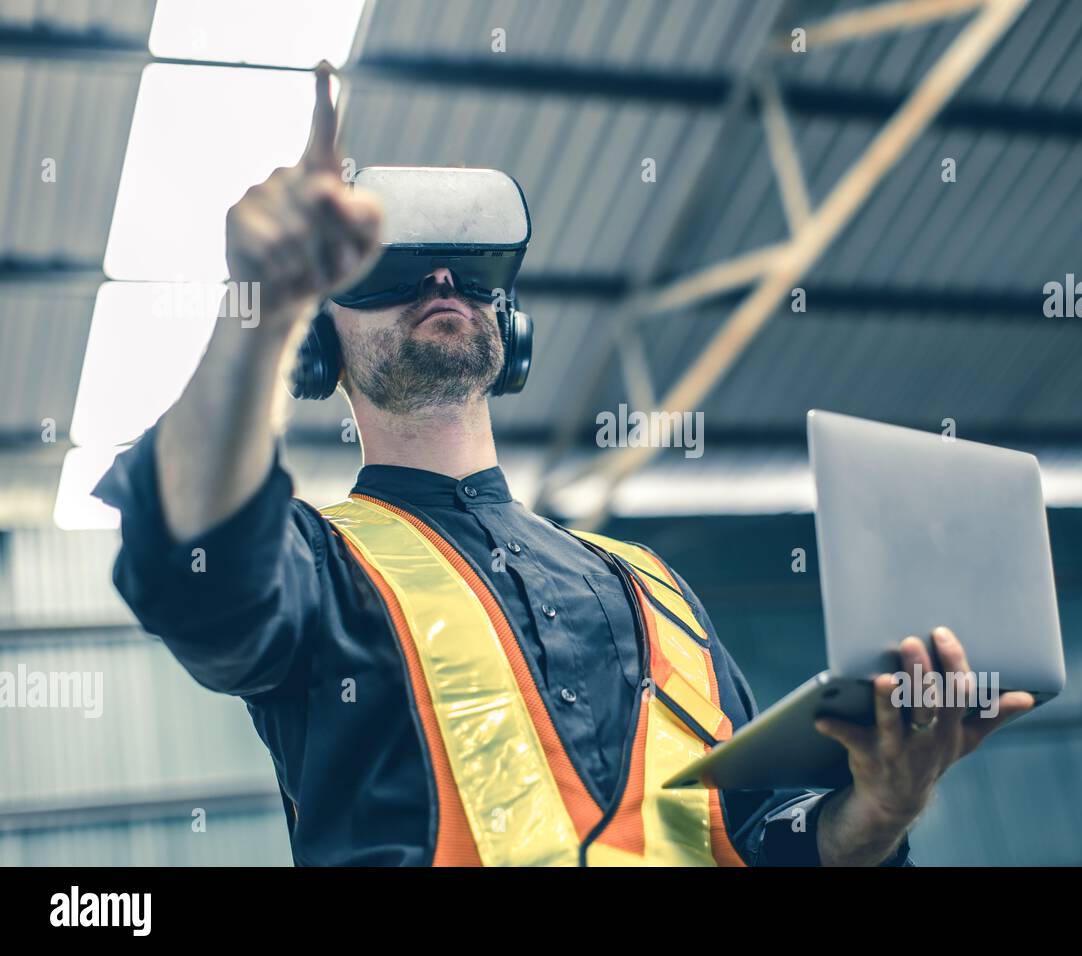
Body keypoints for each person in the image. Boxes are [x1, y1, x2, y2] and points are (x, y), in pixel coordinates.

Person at [95, 65, 1034, 866]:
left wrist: (875, 813)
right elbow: (197, 560)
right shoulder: (315, 571)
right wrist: (258, 303)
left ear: (512, 329)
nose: (439, 283)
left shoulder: (655, 588)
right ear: (315, 350)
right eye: (391, 269)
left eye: (471, 270)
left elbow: (754, 835)